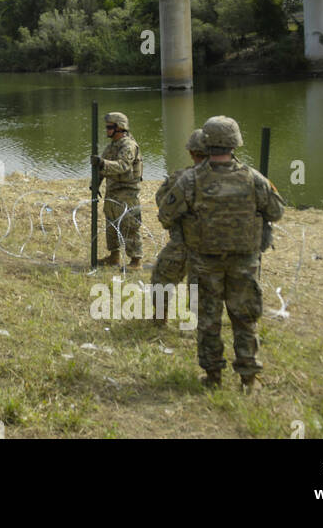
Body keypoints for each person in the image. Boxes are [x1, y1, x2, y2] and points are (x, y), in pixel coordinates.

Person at [158, 115, 285, 390]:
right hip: (244, 261)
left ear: (206, 143)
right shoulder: (254, 178)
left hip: (204, 262)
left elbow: (166, 214)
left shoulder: (190, 180)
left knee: (208, 319)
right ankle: (249, 378)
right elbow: (276, 211)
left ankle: (213, 377)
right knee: (245, 317)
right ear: (235, 143)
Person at [150, 128, 207, 323]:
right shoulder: (237, 177)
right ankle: (201, 323)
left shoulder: (181, 178)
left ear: (191, 152)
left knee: (162, 278)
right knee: (203, 286)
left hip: (184, 241)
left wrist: (175, 225)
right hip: (223, 244)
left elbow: (163, 205)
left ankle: (160, 318)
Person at [92, 111, 143, 268]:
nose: (106, 130)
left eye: (110, 127)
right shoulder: (111, 147)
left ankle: (136, 261)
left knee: (130, 226)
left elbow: (122, 166)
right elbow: (101, 168)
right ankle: (114, 257)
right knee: (111, 226)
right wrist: (95, 183)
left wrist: (102, 163)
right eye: (106, 127)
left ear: (119, 128)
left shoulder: (128, 146)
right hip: (112, 192)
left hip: (127, 192)